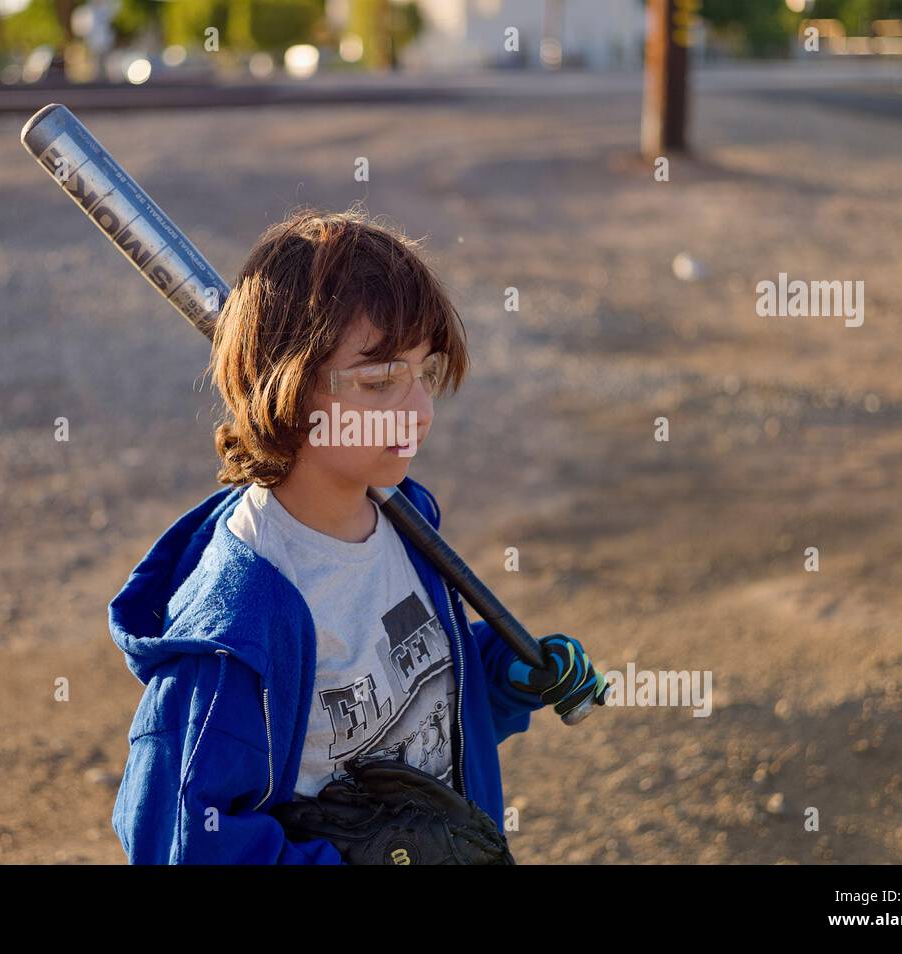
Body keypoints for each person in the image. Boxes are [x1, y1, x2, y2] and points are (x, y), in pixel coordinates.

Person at [108, 206, 602, 864]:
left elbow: (411, 702)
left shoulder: (406, 521)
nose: (421, 412)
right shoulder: (238, 628)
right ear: (283, 388)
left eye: (424, 373)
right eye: (378, 382)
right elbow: (176, 839)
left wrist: (505, 673)